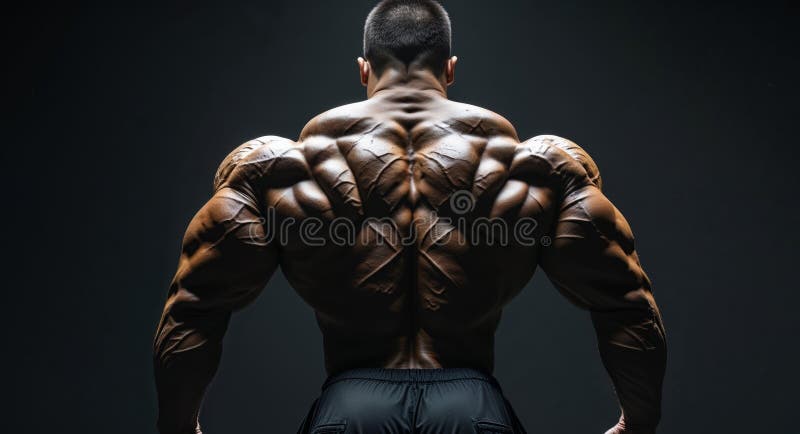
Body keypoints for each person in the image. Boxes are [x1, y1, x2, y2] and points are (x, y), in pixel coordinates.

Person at [153, 1, 667, 433]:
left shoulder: (285, 168)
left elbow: (193, 306)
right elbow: (626, 301)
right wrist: (637, 424)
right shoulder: (530, 167)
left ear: (363, 69)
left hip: (349, 411)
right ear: (450, 68)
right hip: (472, 411)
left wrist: (179, 427)